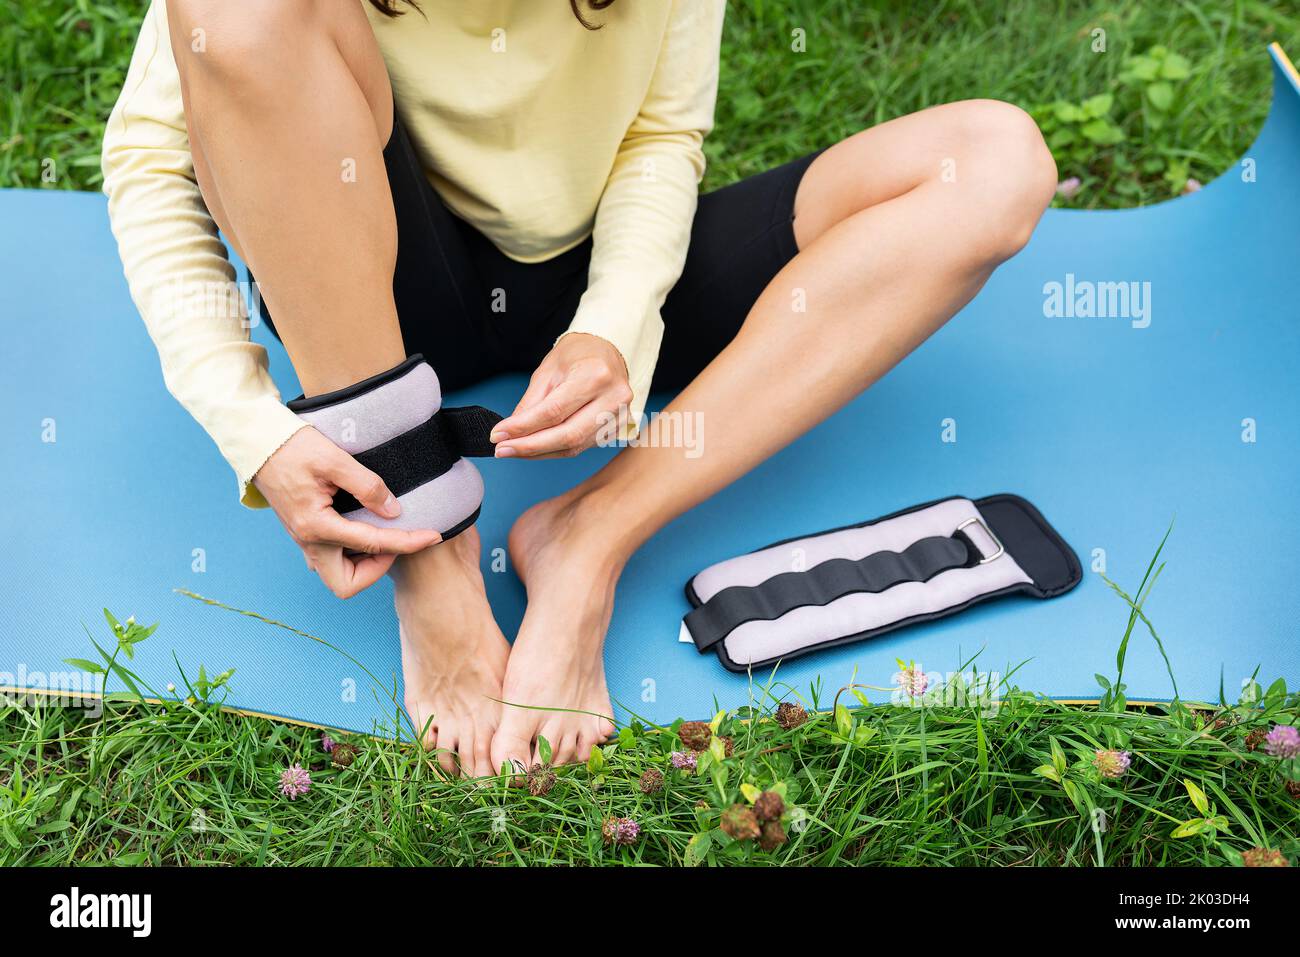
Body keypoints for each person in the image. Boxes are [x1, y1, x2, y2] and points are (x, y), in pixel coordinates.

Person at [101, 0, 1057, 778]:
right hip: (376, 282)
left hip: (595, 265)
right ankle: (430, 556)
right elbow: (152, 159)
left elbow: (663, 129)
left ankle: (585, 537)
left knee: (994, 162)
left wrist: (613, 326)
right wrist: (250, 425)